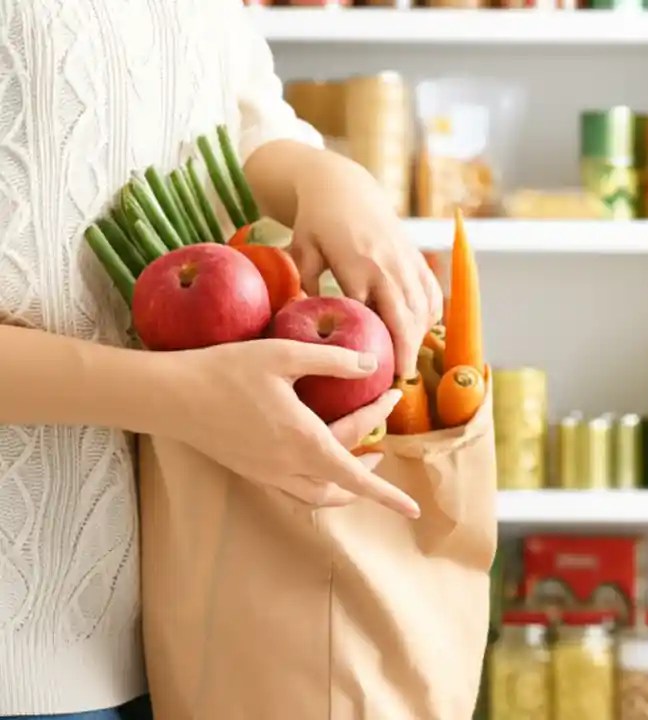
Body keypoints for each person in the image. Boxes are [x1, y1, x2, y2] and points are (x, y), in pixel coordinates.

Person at [0, 1, 442, 718]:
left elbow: (224, 122)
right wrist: (174, 398)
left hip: (199, 625)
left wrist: (324, 178)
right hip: (24, 658)